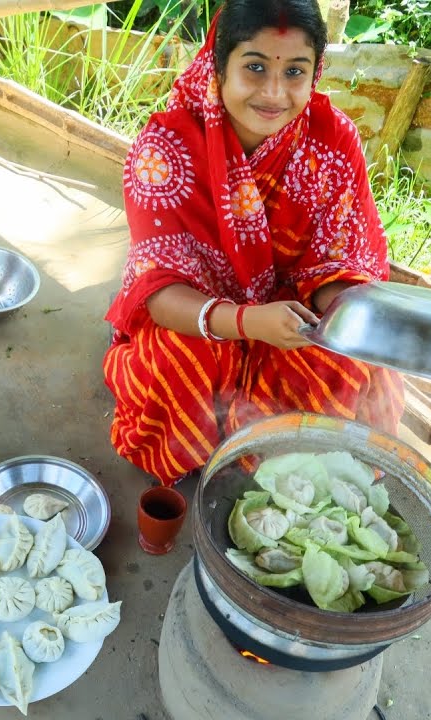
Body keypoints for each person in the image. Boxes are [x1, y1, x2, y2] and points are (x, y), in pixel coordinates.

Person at [104, 0, 404, 485]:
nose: (274, 92)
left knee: (345, 364)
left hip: (291, 318)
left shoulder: (332, 141)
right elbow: (160, 293)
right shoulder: (166, 150)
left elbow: (338, 262)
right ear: (219, 69)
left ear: (315, 74)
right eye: (256, 67)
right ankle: (201, 448)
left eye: (295, 72)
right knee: (177, 365)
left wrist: (341, 314)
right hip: (202, 317)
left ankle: (276, 464)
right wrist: (246, 322)